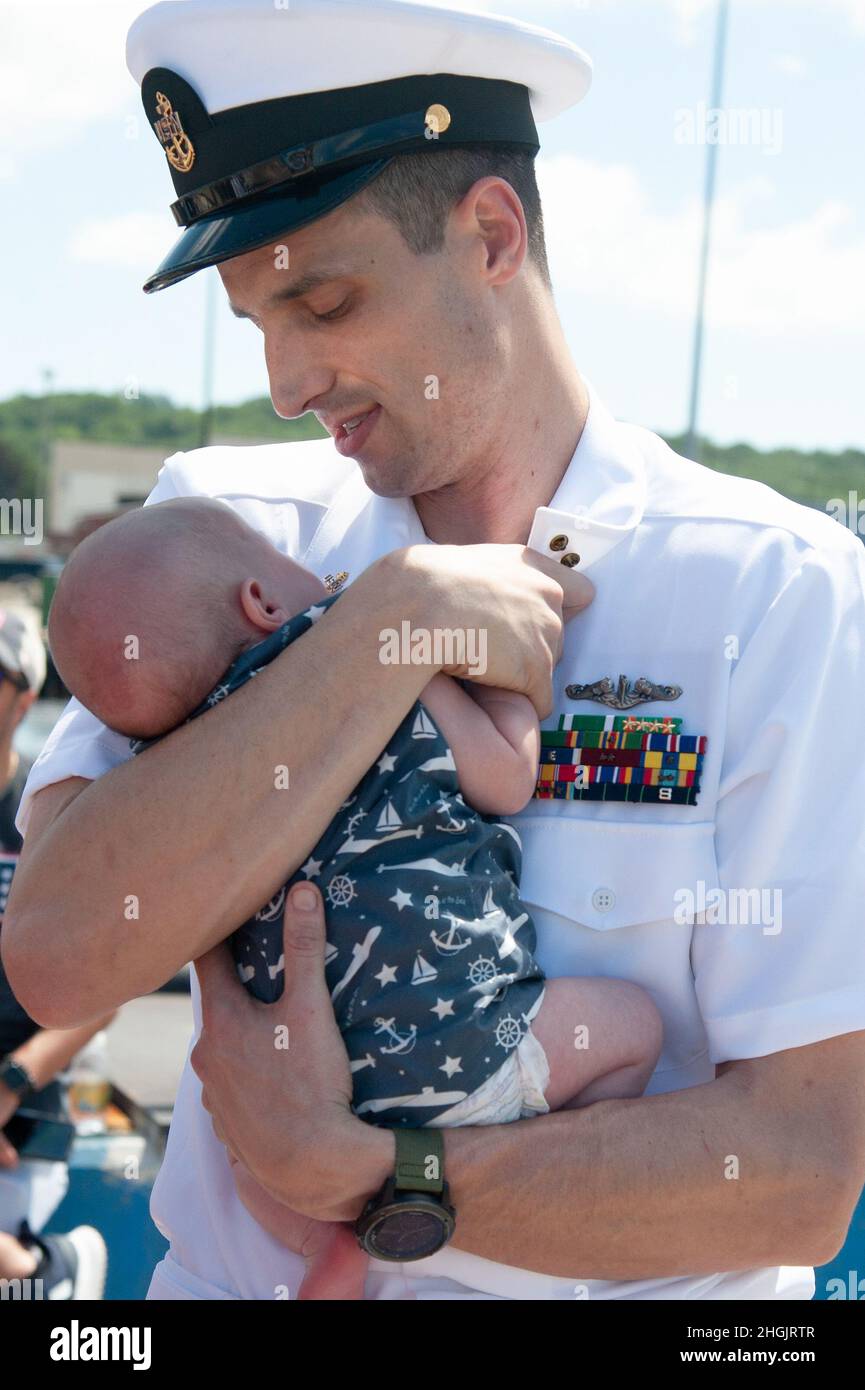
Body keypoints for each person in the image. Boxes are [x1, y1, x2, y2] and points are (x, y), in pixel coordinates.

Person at [4, 0, 865, 1302]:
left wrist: (378, 1175)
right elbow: (61, 948)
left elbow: (801, 1167)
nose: (288, 379)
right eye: (255, 322)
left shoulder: (778, 593)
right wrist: (373, 635)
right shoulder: (219, 535)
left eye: (325, 300)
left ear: (492, 235)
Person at [45, 495, 662, 1298]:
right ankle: (545, 1158)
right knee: (637, 1027)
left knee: (248, 1157)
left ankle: (324, 1244)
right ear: (262, 602)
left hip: (290, 1101)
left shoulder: (177, 773)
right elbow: (507, 778)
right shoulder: (368, 649)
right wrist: (517, 683)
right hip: (470, 1054)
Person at [0, 608, 111, 1299]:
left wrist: (9, 1082)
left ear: (19, 697)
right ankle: (46, 1272)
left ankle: (47, 1271)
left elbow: (103, 989)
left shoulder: (48, 811)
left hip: (24, 1114)